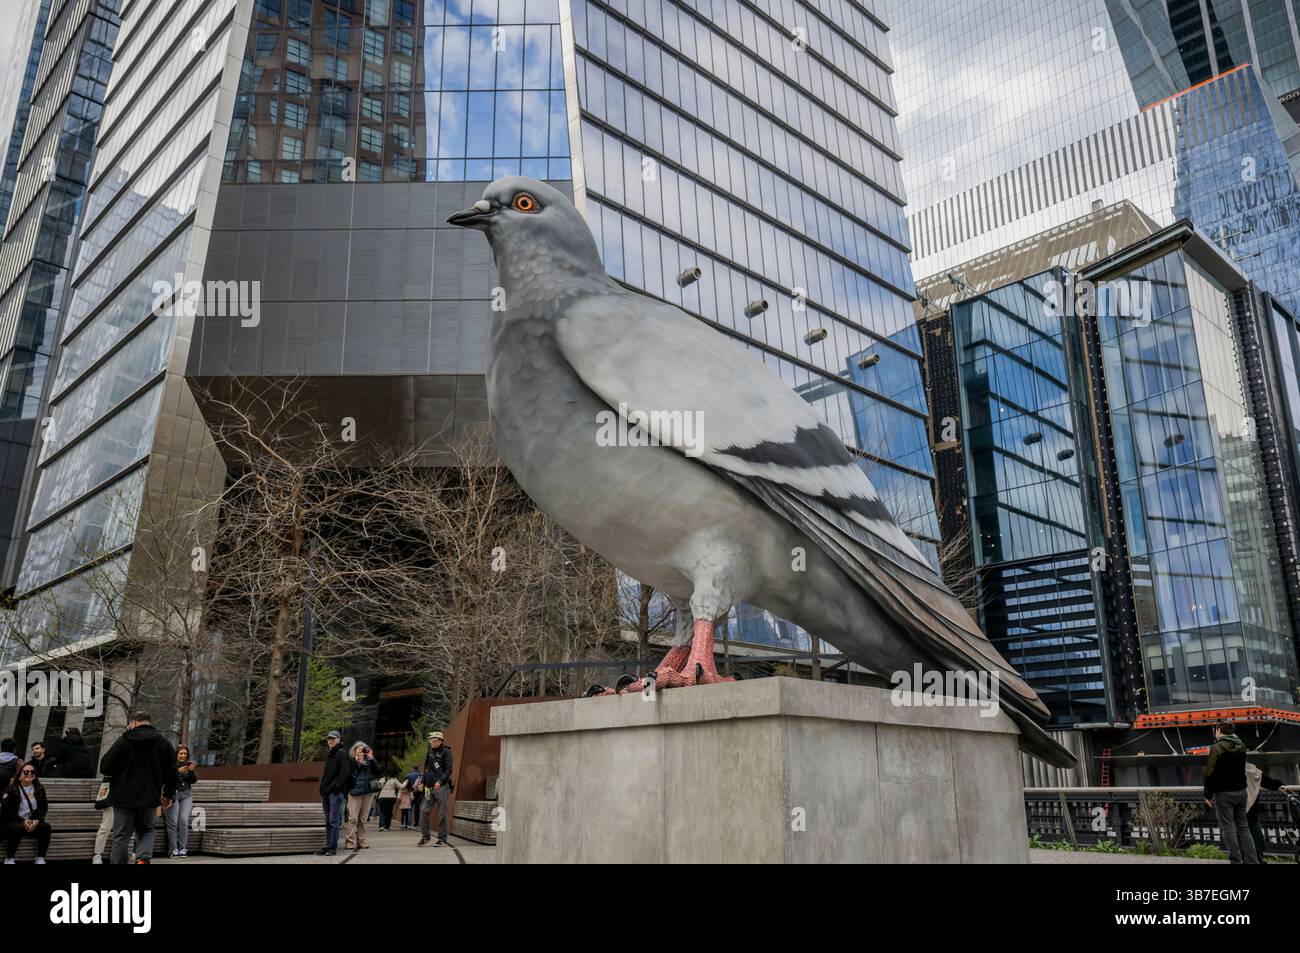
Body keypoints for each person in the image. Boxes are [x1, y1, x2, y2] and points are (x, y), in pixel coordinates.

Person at [98, 710, 176, 865]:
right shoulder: (163, 742)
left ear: (133, 722)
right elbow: (172, 772)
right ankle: (142, 860)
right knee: (147, 830)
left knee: (121, 835)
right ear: (149, 722)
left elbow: (105, 767)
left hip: (123, 797)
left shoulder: (124, 741)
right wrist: (168, 794)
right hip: (150, 797)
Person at [1203, 720, 1259, 864]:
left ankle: (1236, 860)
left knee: (1228, 828)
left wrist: (1208, 795)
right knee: (1244, 828)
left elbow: (1209, 773)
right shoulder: (1241, 745)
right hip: (1241, 792)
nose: (1215, 733)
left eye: (1216, 730)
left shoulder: (1217, 748)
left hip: (1224, 794)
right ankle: (1252, 861)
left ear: (1219, 731)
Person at [1, 764, 50, 864]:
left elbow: (43, 807)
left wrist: (37, 820)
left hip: (30, 824)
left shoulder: (39, 789)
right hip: (12, 824)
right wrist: (22, 821)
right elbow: (6, 810)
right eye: (26, 771)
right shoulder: (12, 789)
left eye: (32, 772)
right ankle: (9, 858)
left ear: (35, 775)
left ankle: (40, 858)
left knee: (46, 827)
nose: (29, 774)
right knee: (18, 828)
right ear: (19, 775)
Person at [1245, 761, 1288, 863]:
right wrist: (1279, 785)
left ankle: (1247, 858)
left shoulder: (1226, 766)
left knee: (1241, 831)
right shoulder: (1250, 769)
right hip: (1251, 805)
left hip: (1235, 806)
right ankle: (1257, 858)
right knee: (1254, 830)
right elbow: (1266, 781)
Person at [417, 731, 453, 848]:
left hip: (441, 787)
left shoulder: (446, 752)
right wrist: (422, 782)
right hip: (428, 788)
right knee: (424, 811)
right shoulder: (430, 752)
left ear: (440, 741)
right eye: (430, 740)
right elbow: (426, 769)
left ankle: (442, 839)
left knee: (442, 814)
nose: (431, 742)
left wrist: (440, 781)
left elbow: (448, 770)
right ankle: (425, 837)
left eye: (434, 740)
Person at [317, 730, 350, 856]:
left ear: (338, 739)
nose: (330, 740)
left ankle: (333, 847)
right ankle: (328, 845)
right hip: (327, 792)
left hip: (335, 793)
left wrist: (336, 789)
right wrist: (322, 789)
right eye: (329, 739)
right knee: (327, 821)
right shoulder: (330, 754)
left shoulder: (341, 753)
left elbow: (345, 773)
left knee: (333, 821)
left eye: (333, 738)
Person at [343, 741, 379, 850]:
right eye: (359, 749)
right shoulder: (351, 761)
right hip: (355, 792)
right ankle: (349, 841)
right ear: (354, 751)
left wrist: (371, 757)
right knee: (353, 818)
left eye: (364, 749)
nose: (362, 751)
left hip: (367, 792)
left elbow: (377, 770)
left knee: (363, 818)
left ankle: (362, 840)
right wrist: (358, 760)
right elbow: (351, 773)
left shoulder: (369, 762)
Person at [165, 744, 198, 858]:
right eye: (181, 753)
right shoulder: (170, 764)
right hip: (172, 794)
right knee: (173, 822)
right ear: (176, 754)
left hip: (186, 795)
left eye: (185, 754)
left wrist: (191, 771)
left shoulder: (189, 765)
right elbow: (167, 779)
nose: (183, 756)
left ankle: (182, 848)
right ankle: (173, 849)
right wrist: (178, 771)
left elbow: (193, 781)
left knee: (183, 821)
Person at [376, 763, 400, 832]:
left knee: (382, 811)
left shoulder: (382, 779)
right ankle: (387, 826)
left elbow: (378, 787)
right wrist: (407, 781)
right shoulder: (394, 779)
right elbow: (400, 786)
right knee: (389, 812)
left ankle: (381, 826)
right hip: (391, 797)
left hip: (382, 797)